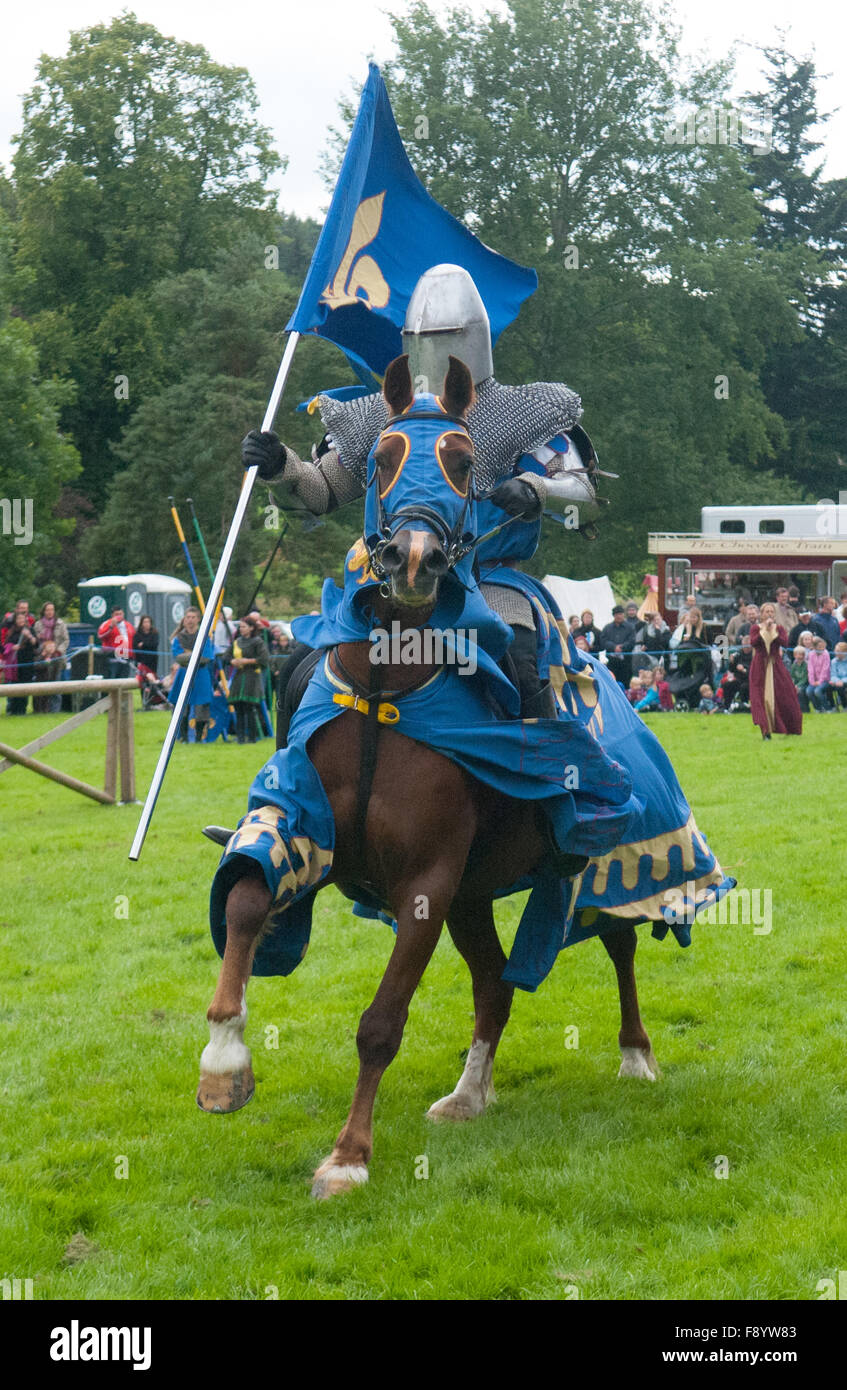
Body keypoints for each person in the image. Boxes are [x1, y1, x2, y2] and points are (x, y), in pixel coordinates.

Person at [749, 603, 802, 739]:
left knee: (785, 694)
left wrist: (773, 631)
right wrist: (764, 630)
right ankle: (765, 730)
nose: (769, 614)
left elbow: (785, 642)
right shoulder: (755, 628)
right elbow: (754, 642)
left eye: (772, 611)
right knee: (760, 698)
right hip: (760, 666)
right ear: (762, 614)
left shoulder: (779, 628)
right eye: (767, 611)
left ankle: (789, 727)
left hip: (775, 664)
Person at [169, 607, 215, 742]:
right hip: (184, 673)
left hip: (200, 674)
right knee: (182, 707)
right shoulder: (179, 638)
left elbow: (206, 657)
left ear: (198, 619)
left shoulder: (204, 636)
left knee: (202, 707)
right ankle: (183, 738)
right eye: (188, 617)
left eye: (193, 617)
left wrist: (187, 654)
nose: (190, 620)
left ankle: (199, 738)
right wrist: (195, 654)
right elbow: (178, 657)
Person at [222, 615, 270, 744]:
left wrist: (247, 661)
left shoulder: (257, 641)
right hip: (238, 677)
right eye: (240, 627)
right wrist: (232, 661)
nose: (241, 629)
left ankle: (252, 737)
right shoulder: (237, 641)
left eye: (244, 626)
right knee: (239, 708)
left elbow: (264, 659)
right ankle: (241, 737)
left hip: (252, 677)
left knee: (250, 708)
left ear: (251, 628)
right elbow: (226, 657)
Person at [33, 601, 69, 712]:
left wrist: (57, 651)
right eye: (47, 610)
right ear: (43, 611)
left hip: (57, 658)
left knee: (56, 684)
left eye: (52, 610)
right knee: (41, 685)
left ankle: (55, 710)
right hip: (42, 658)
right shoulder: (38, 624)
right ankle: (40, 709)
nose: (50, 612)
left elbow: (66, 640)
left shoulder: (60, 624)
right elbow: (36, 643)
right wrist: (43, 650)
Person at [2, 611, 39, 713]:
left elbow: (36, 645)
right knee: (14, 686)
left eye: (23, 618)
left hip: (27, 662)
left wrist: (29, 636)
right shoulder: (12, 631)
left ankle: (22, 710)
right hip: (15, 664)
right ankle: (13, 709)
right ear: (15, 620)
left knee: (25, 686)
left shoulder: (30, 630)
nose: (21, 621)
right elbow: (5, 646)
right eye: (19, 619)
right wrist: (12, 647)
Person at [598, 606, 636, 686]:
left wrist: (622, 647)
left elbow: (632, 641)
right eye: (617, 614)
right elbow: (603, 641)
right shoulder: (607, 628)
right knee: (612, 683)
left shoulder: (630, 627)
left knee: (626, 684)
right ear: (614, 616)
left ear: (623, 614)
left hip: (626, 662)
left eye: (621, 614)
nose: (619, 616)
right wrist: (613, 647)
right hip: (611, 662)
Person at [98, 607, 135, 678]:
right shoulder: (106, 624)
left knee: (124, 679)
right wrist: (111, 627)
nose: (119, 616)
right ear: (112, 615)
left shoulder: (128, 625)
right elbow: (100, 636)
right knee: (112, 679)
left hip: (126, 658)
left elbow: (133, 639)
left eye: (120, 614)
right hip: (112, 658)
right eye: (116, 614)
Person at [805, 636, 831, 712]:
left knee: (817, 691)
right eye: (819, 647)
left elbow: (825, 669)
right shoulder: (811, 654)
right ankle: (818, 708)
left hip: (825, 680)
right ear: (814, 647)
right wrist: (812, 681)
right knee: (808, 691)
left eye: (823, 647)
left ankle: (828, 708)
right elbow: (810, 669)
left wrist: (820, 681)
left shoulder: (826, 654)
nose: (822, 649)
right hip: (814, 680)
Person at [789, 647, 811, 713]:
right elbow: (792, 676)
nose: (799, 656)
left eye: (801, 654)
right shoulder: (793, 665)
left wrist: (797, 685)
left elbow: (805, 678)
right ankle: (794, 708)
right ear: (794, 655)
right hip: (796, 684)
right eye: (797, 654)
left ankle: (805, 709)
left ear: (804, 655)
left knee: (800, 691)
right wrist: (793, 685)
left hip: (805, 684)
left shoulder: (806, 665)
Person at [829, 641, 847, 708]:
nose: (836, 652)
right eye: (835, 650)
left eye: (838, 651)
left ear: (845, 652)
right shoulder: (833, 661)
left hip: (845, 681)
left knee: (840, 688)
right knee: (828, 687)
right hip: (837, 681)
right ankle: (832, 707)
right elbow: (833, 674)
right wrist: (837, 681)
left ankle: (845, 706)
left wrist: (842, 681)